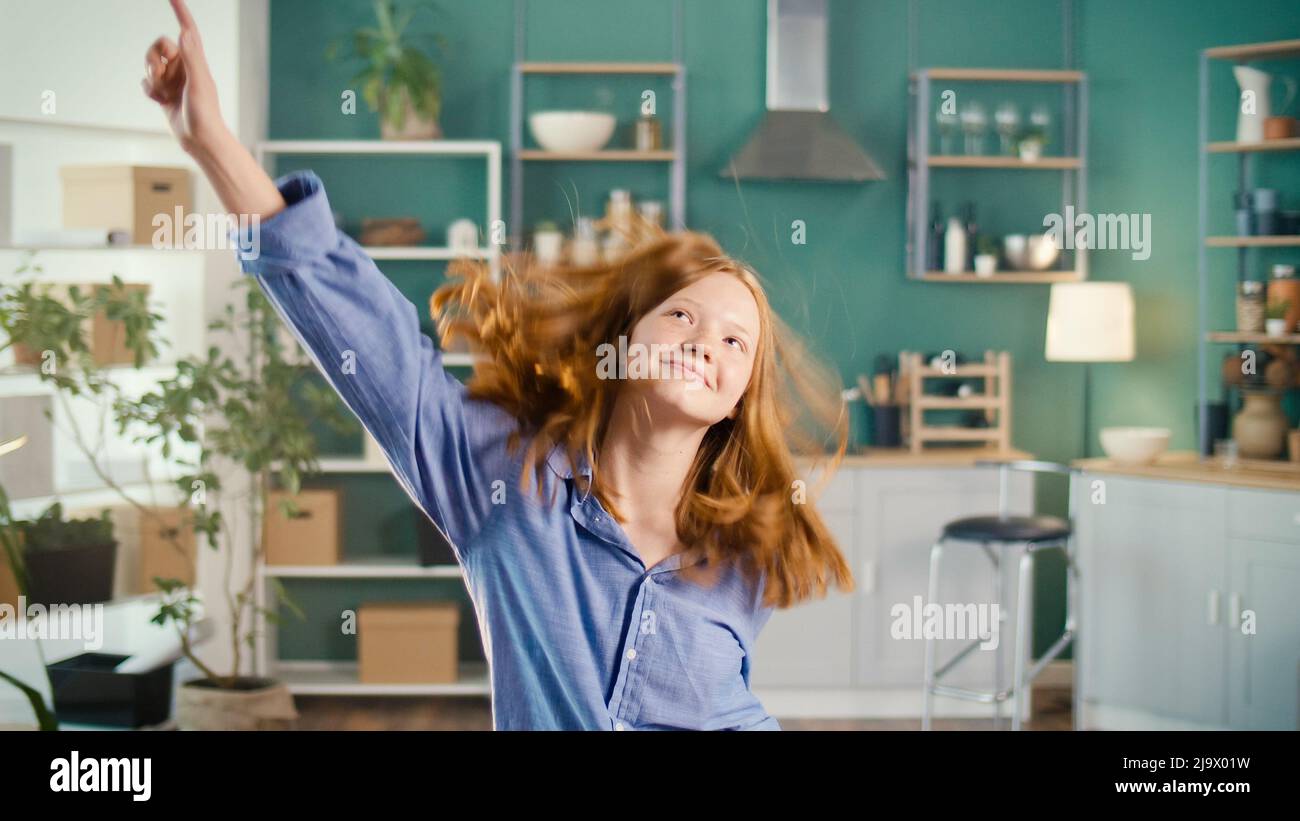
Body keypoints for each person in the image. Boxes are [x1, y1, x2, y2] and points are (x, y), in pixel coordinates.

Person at [142, 0, 854, 730]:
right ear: (624, 337)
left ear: (738, 398)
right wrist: (212, 142)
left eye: (737, 341)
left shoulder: (744, 561)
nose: (708, 340)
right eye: (682, 313)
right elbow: (374, 341)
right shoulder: (505, 478)